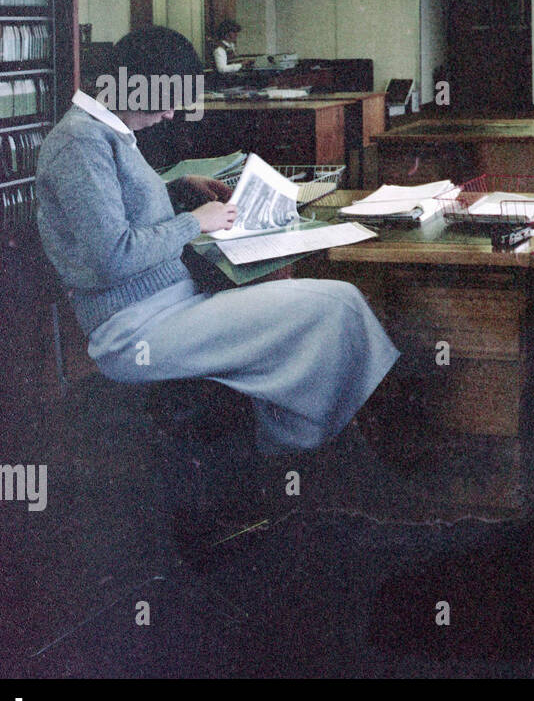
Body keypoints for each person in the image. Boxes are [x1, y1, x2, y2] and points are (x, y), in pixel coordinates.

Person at [35, 26, 400, 455]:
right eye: (168, 102)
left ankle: (307, 443)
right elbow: (112, 256)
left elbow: (115, 214)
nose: (171, 115)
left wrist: (177, 187)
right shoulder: (80, 142)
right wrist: (195, 221)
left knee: (336, 306)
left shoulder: (107, 134)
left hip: (169, 306)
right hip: (136, 331)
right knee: (334, 307)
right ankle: (305, 448)